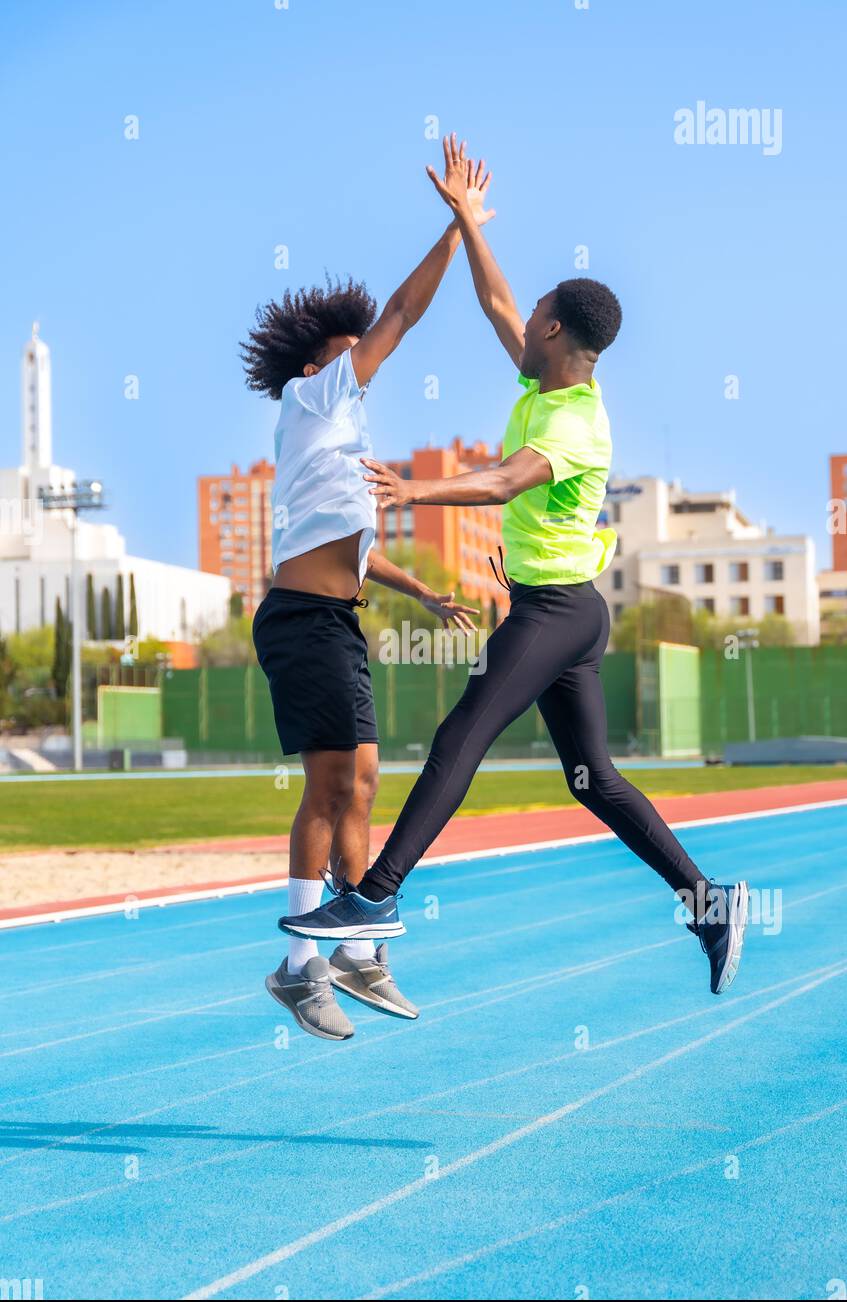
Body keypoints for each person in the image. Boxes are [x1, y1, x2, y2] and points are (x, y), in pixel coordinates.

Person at [281, 134, 749, 998]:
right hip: (566, 610)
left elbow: (505, 480)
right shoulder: (548, 385)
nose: (516, 320)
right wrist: (467, 219)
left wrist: (411, 491)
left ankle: (374, 898)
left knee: (464, 734)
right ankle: (709, 902)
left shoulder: (568, 427)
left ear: (556, 331)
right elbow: (495, 297)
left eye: (532, 316)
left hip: (555, 613)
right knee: (594, 780)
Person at [241, 155, 491, 1040]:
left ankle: (357, 952)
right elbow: (401, 314)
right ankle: (298, 966)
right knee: (330, 785)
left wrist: (422, 589)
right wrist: (461, 227)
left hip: (331, 617)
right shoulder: (316, 396)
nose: (366, 354)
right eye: (351, 347)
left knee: (366, 782)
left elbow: (357, 549)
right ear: (319, 361)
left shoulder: (339, 444)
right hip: (304, 623)